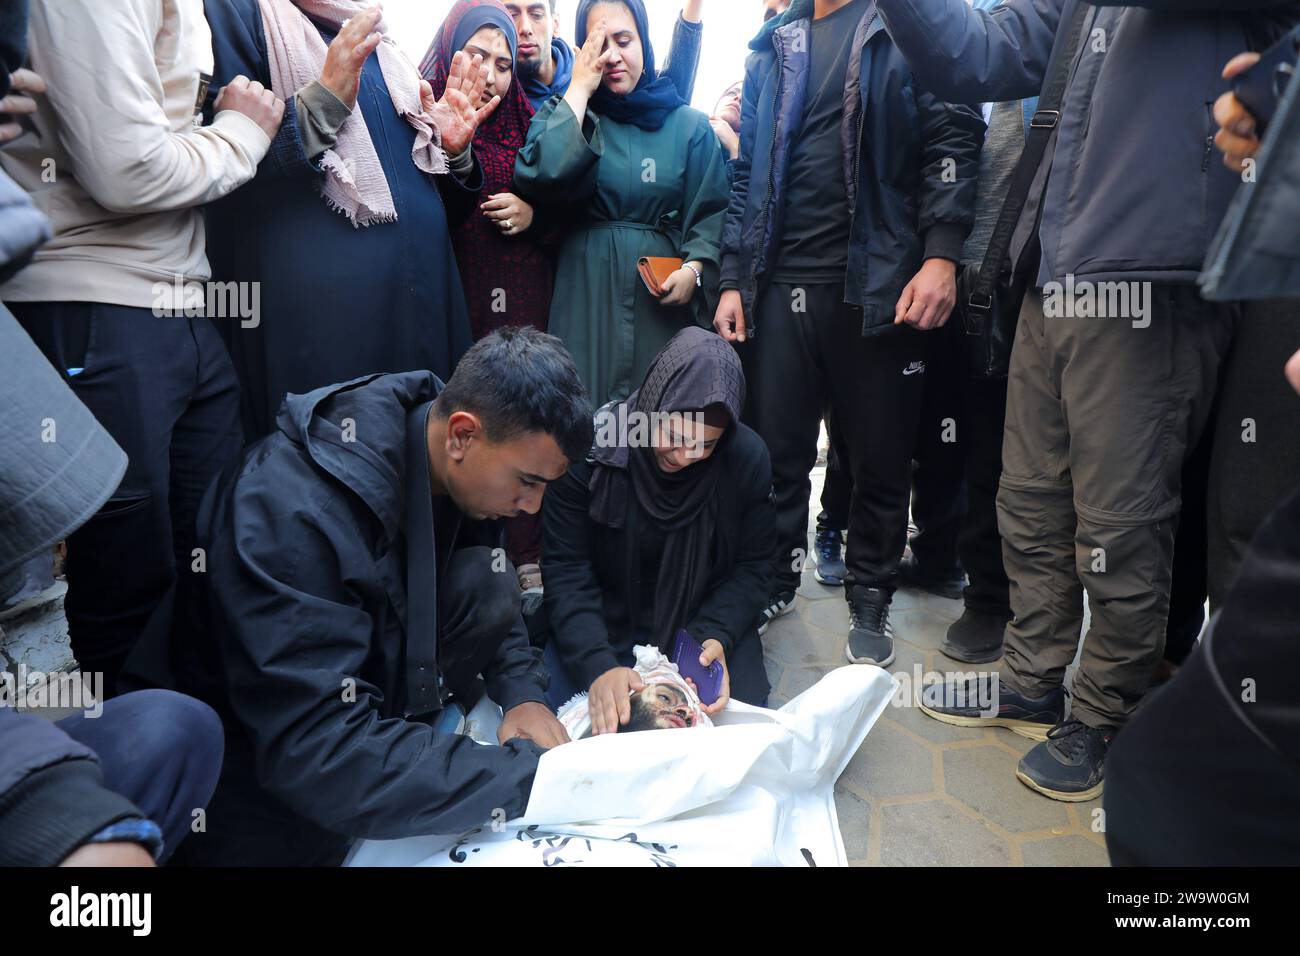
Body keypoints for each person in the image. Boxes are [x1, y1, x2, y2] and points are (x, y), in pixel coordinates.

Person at [873, 0, 1300, 801]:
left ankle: (1106, 711)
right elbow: (972, 53)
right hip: (1050, 275)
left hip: (1152, 280)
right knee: (1029, 501)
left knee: (1122, 520)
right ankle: (1032, 681)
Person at [168, 328, 594, 866]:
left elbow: (484, 568)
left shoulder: (453, 442)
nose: (533, 507)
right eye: (528, 482)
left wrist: (521, 690)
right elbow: (321, 751)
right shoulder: (292, 516)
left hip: (362, 683)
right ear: (461, 435)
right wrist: (531, 778)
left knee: (492, 578)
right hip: (257, 758)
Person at [0, 0, 282, 699]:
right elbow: (128, 170)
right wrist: (244, 132)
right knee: (129, 587)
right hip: (95, 300)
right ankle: (141, 786)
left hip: (181, 296)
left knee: (218, 555)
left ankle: (213, 776)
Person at [713, 0, 984, 667]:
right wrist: (731, 278)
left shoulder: (905, 23)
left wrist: (941, 255)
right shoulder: (771, 46)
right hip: (780, 286)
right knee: (776, 451)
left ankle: (871, 594)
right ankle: (775, 577)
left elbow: (953, 138)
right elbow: (747, 174)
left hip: (879, 282)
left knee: (881, 455)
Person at [201, 0, 497, 440]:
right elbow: (221, 174)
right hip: (322, 339)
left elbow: (441, 210)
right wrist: (321, 103)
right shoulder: (239, 14)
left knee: (417, 483)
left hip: (422, 318)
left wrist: (455, 154)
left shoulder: (389, 52)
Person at [0, 300, 224, 867]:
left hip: (185, 296)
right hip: (103, 297)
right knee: (125, 572)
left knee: (179, 722)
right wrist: (75, 822)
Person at [542, 327, 775, 735]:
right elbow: (566, 568)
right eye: (674, 435)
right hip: (604, 620)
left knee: (739, 726)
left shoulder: (744, 459)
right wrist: (597, 665)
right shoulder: (593, 451)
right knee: (567, 725)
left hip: (697, 621)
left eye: (705, 445)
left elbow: (754, 566)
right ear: (652, 403)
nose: (685, 457)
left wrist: (715, 635)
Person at [514, 0, 730, 407]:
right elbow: (542, 174)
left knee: (654, 423)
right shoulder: (569, 114)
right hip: (584, 297)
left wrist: (695, 269)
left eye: (624, 40)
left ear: (644, 45)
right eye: (598, 43)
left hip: (660, 303)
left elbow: (712, 212)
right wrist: (577, 89)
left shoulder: (688, 126)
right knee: (581, 417)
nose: (612, 55)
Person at [418, 0, 554, 602]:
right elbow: (430, 206)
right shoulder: (420, 110)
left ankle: (527, 552)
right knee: (477, 420)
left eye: (503, 62)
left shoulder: (535, 119)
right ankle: (473, 557)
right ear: (450, 51)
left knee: (526, 413)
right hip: (462, 292)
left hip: (527, 292)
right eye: (478, 55)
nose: (493, 73)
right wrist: (458, 152)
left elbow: (575, 195)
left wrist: (536, 212)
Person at [507, 0, 705, 111]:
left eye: (624, 42)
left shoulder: (672, 112)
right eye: (512, 14)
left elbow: (678, 76)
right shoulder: (500, 93)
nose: (611, 57)